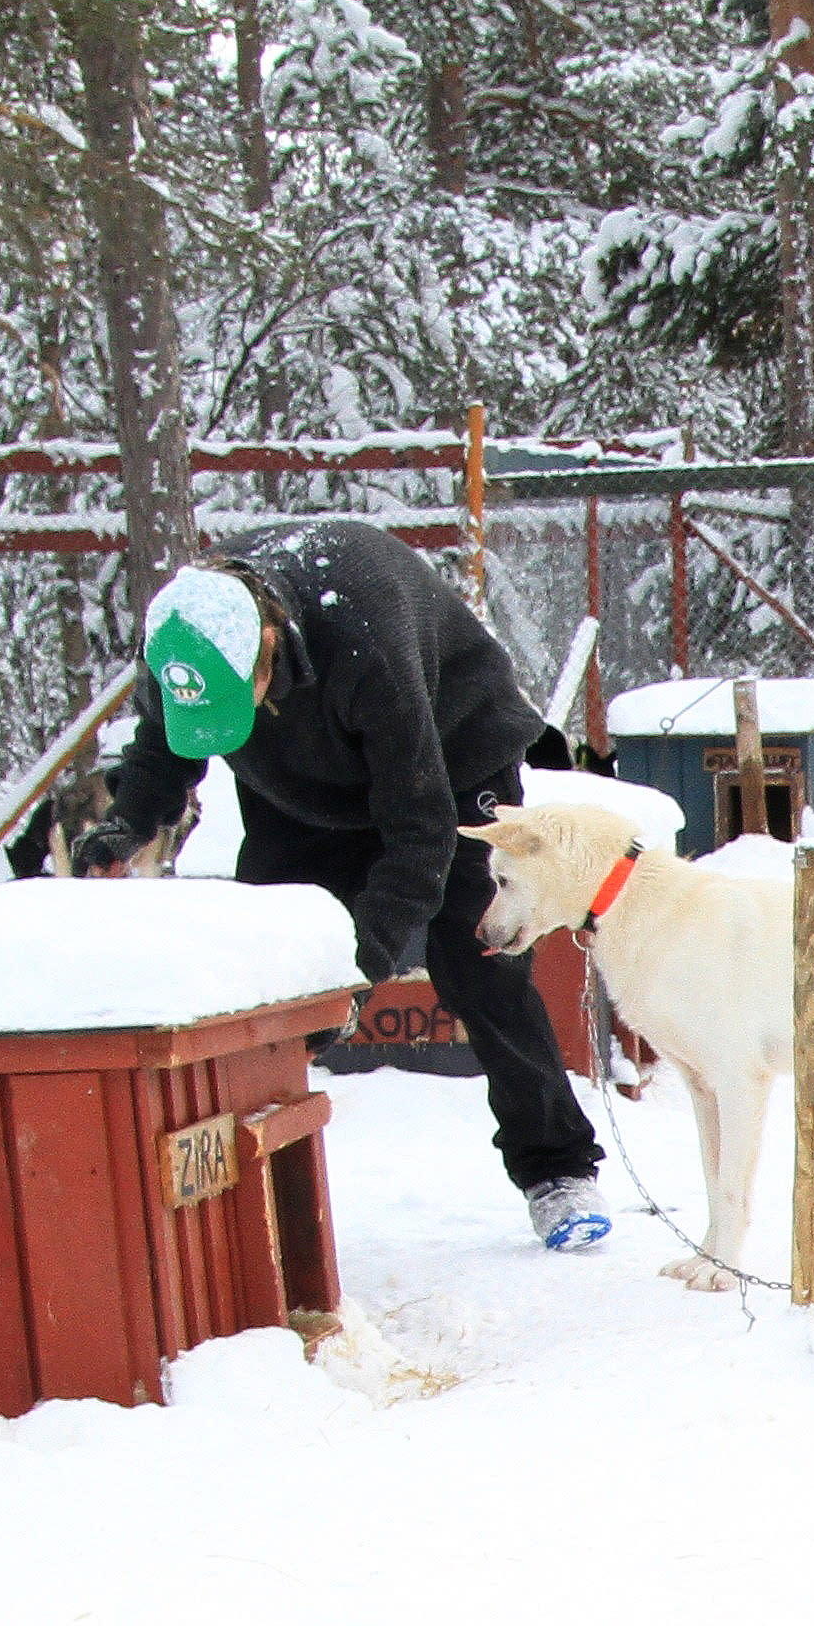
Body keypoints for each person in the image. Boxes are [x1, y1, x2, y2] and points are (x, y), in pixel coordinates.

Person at [94, 519, 613, 1250]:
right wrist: (127, 825)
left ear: (267, 648)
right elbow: (163, 747)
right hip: (302, 794)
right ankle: (254, 1188)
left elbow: (420, 833)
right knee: (261, 978)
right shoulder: (184, 636)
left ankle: (556, 1169)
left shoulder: (362, 631)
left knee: (480, 969)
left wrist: (358, 970)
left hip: (452, 766)